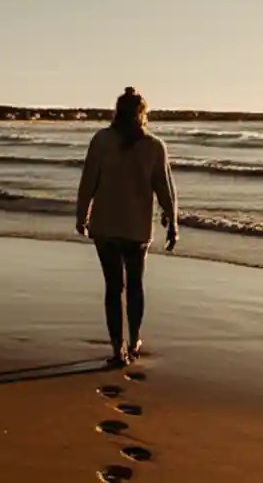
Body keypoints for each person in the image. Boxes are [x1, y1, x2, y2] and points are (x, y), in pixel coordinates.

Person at [76, 87, 178, 367]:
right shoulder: (154, 146)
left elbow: (88, 182)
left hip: (105, 226)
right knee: (135, 286)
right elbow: (165, 188)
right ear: (142, 114)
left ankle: (116, 348)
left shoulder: (101, 140)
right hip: (136, 229)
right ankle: (134, 342)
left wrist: (81, 215)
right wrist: (173, 222)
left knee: (112, 287)